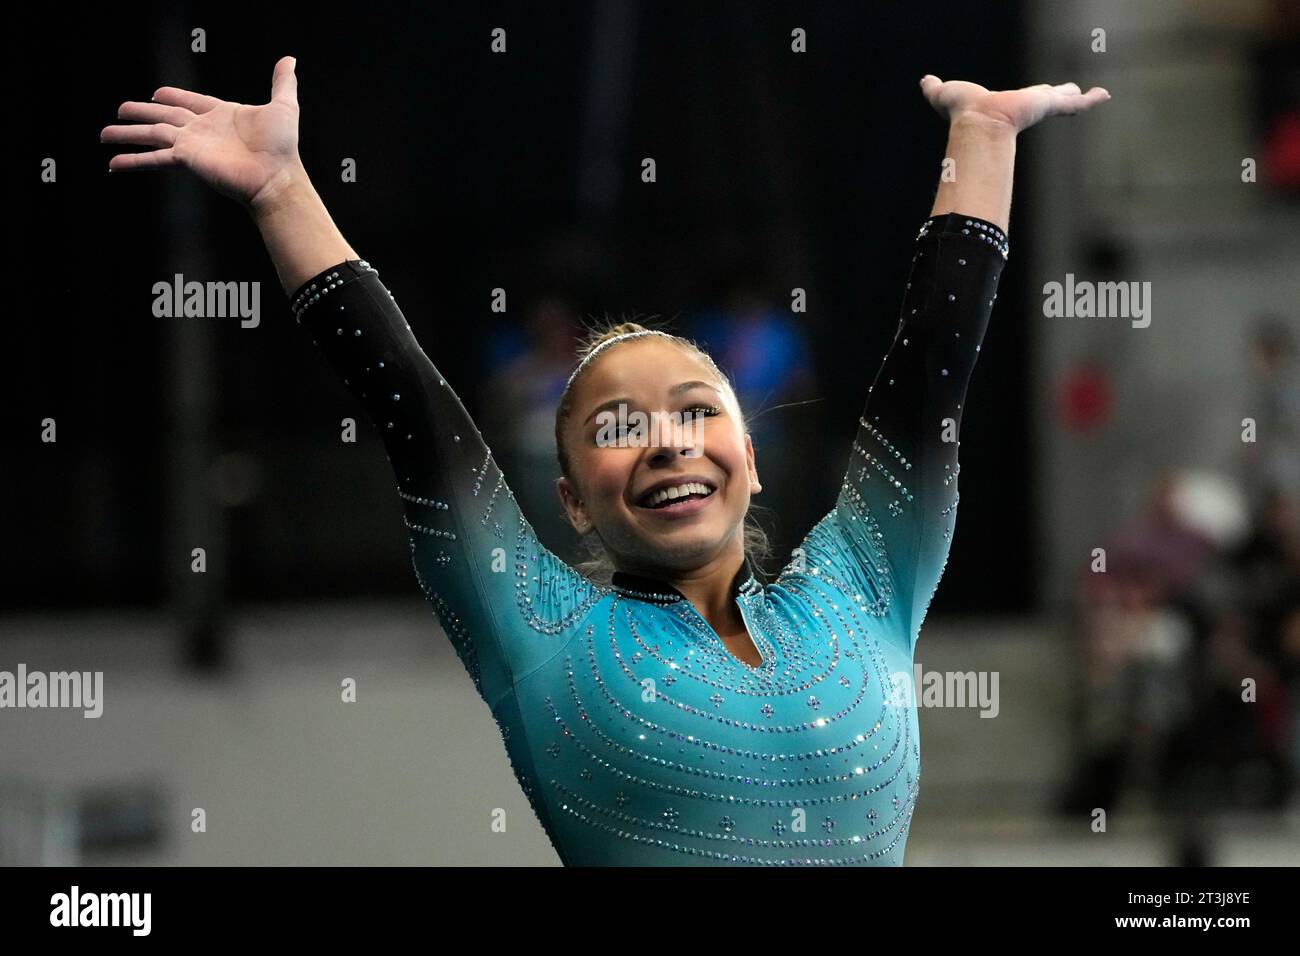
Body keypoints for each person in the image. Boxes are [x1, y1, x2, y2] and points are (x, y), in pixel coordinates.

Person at [102, 58, 1109, 865]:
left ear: (750, 459)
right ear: (572, 500)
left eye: (693, 411)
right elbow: (410, 404)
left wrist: (980, 139)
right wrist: (281, 189)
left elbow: (926, 378)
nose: (665, 438)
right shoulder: (536, 624)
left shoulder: (864, 583)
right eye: (617, 426)